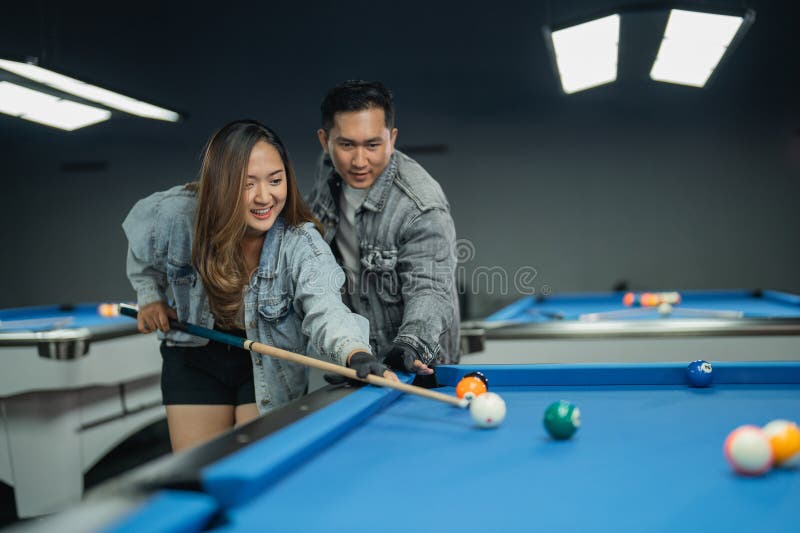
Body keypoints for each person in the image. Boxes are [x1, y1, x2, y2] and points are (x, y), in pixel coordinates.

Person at [123, 120, 395, 452]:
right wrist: (150, 297)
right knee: (200, 468)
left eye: (275, 181)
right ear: (220, 184)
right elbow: (143, 257)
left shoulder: (302, 244)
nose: (264, 197)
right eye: (247, 184)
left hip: (267, 361)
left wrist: (355, 352)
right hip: (192, 352)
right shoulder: (175, 216)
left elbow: (326, 309)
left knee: (255, 459)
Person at [307, 81, 460, 380]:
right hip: (361, 358)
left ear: (392, 138)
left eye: (373, 145)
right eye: (347, 144)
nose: (359, 161)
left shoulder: (421, 206)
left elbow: (430, 288)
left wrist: (409, 345)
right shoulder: (326, 171)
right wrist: (351, 351)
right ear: (325, 141)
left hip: (421, 365)